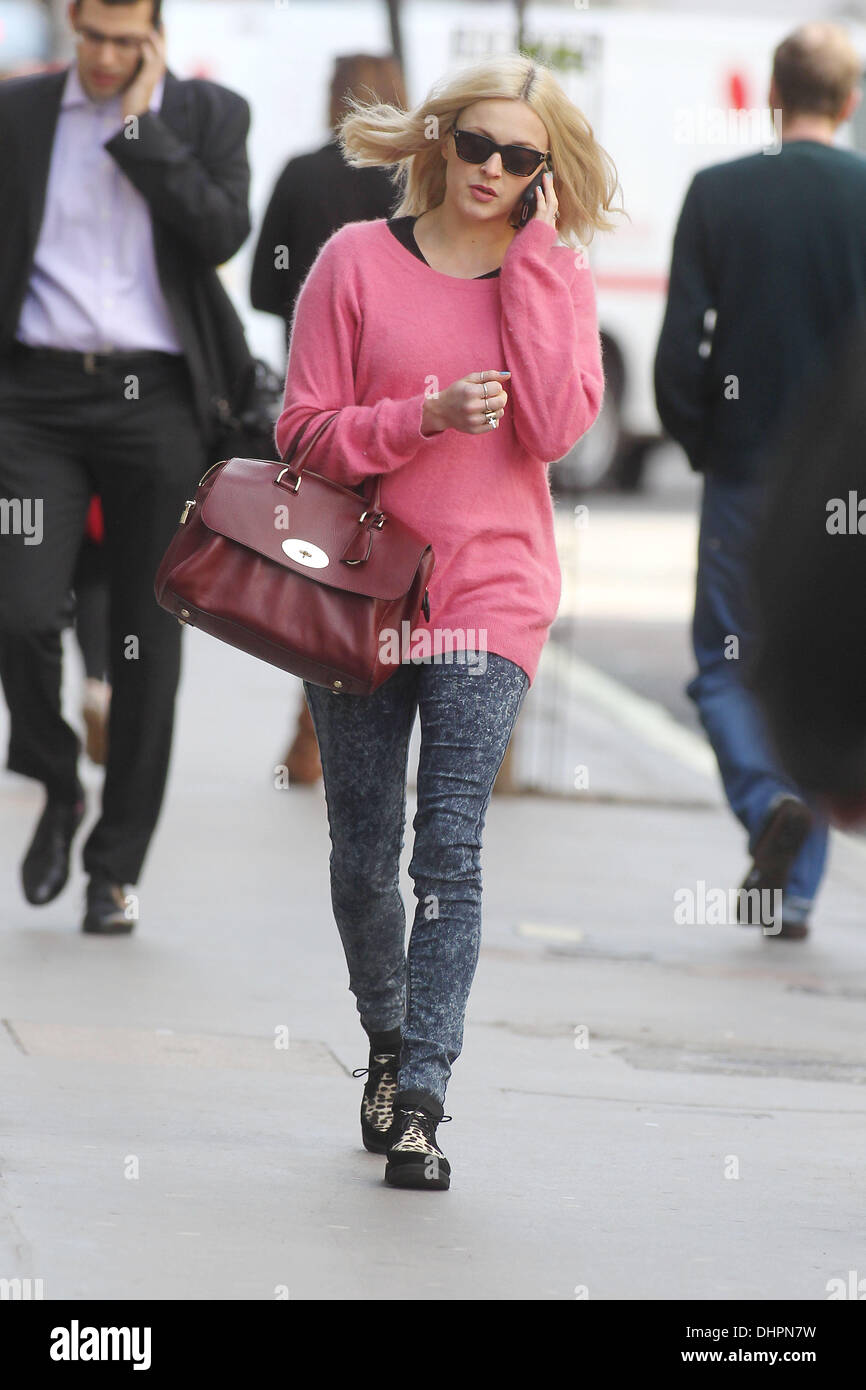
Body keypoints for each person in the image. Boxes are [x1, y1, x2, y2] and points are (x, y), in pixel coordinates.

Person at [274, 53, 619, 1189]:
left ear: (541, 173)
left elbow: (561, 426)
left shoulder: (550, 272)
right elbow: (302, 434)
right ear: (438, 139)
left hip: (491, 590)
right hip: (364, 589)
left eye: (521, 157)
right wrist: (416, 417)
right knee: (362, 853)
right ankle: (384, 1033)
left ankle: (422, 1091)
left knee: (449, 852)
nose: (492, 169)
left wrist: (536, 265)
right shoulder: (352, 264)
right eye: (476, 144)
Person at [0, 0, 251, 933]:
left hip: (160, 406)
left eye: (125, 41)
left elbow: (221, 232)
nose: (104, 58)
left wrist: (140, 130)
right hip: (35, 400)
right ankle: (59, 781)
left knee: (149, 644)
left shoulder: (209, 118)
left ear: (153, 34)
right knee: (20, 610)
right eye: (93, 37)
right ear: (72, 21)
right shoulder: (19, 115)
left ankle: (114, 868)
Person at [654, 22, 866, 941]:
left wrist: (699, 435)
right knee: (826, 667)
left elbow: (679, 344)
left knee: (726, 663)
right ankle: (794, 888)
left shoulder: (718, 192)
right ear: (850, 102)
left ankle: (770, 801)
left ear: (772, 95)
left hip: (747, 467)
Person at [251, 53, 407, 786]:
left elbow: (260, 286)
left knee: (318, 571)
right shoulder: (418, 180)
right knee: (395, 568)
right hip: (408, 402)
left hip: (321, 407)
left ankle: (313, 730)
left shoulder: (301, 173)